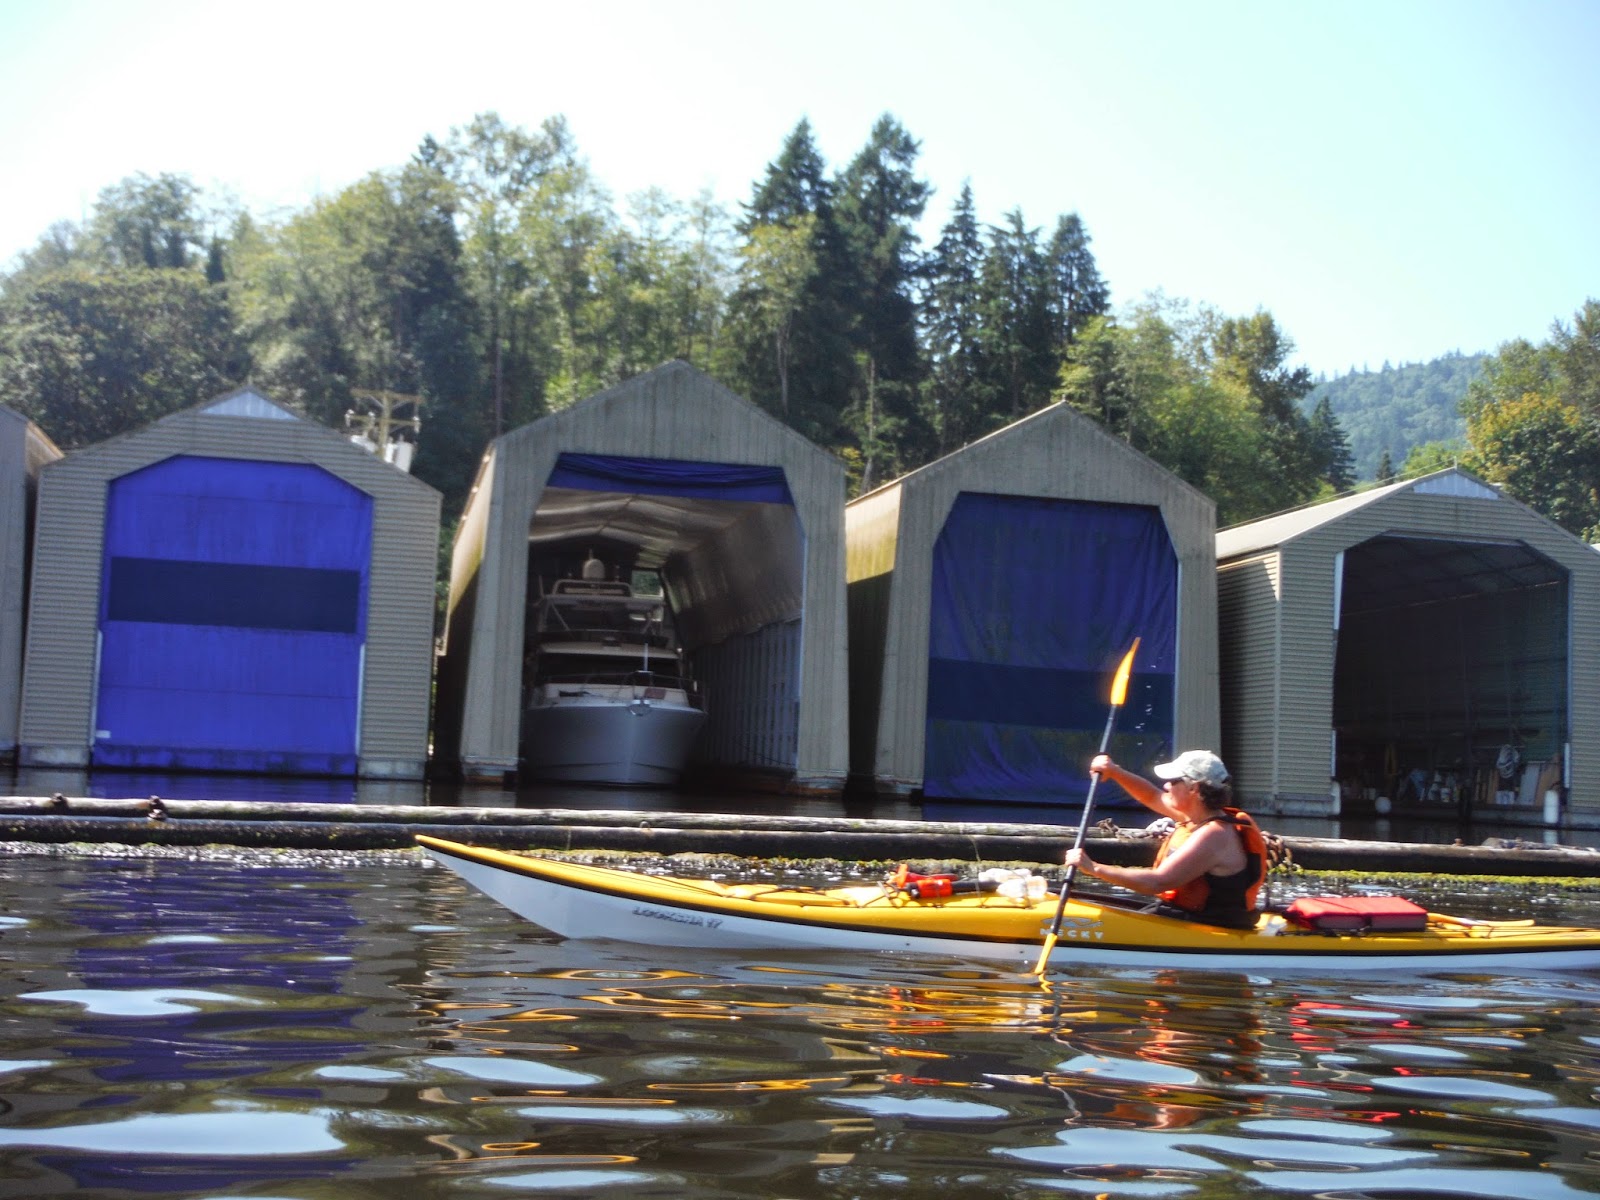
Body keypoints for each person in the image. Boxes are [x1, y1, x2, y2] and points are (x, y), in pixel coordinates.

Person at [1064, 749, 1266, 929]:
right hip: (1185, 917)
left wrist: (1094, 869)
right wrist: (1115, 771)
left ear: (1193, 789)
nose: (1166, 785)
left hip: (1209, 928)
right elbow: (1152, 796)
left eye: (1173, 781)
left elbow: (1158, 882)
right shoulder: (1195, 816)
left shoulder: (1215, 835)